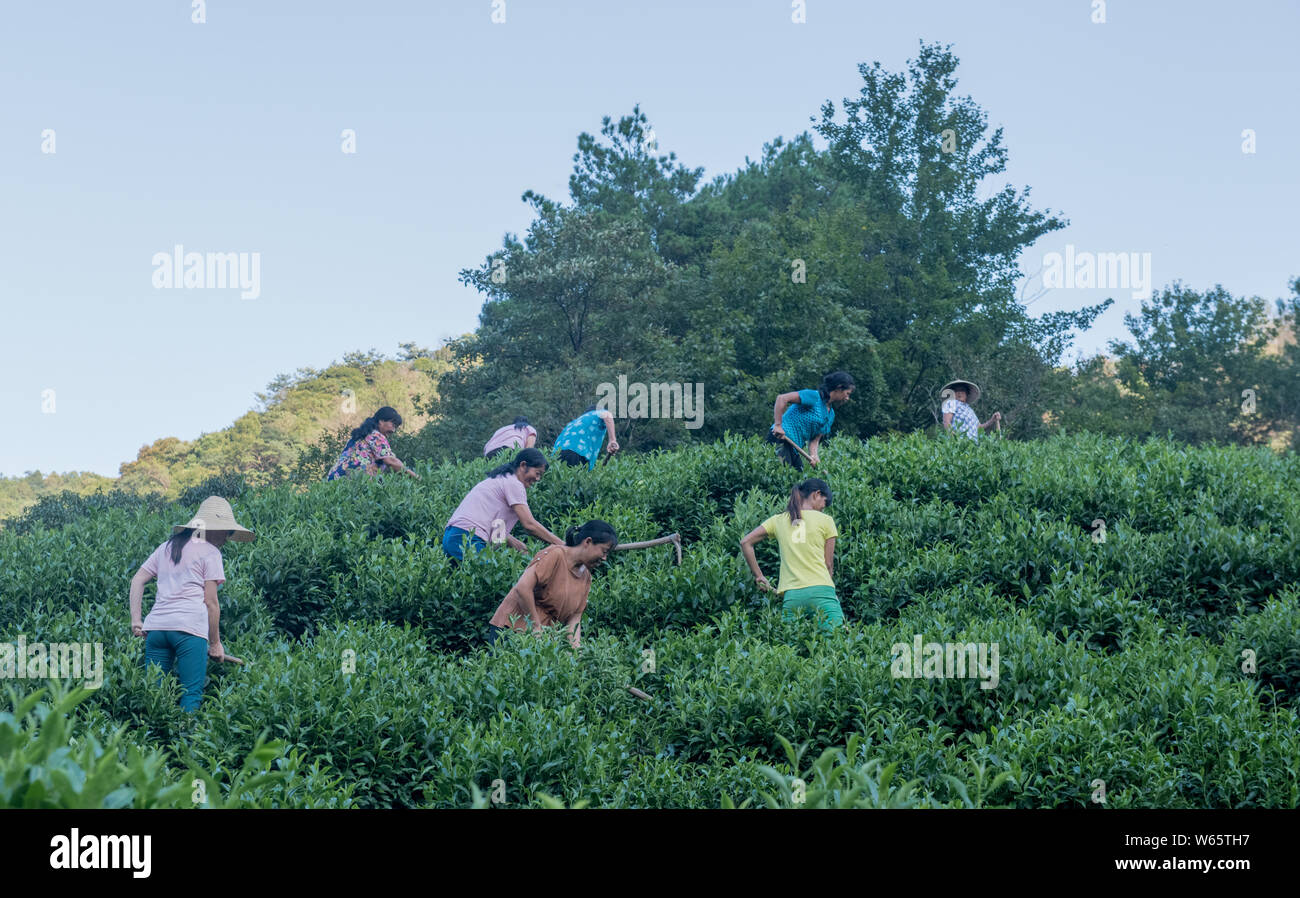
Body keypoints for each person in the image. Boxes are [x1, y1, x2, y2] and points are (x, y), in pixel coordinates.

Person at [128, 496, 253, 712]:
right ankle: (185, 743)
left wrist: (136, 620)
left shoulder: (166, 547)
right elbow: (211, 603)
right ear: (210, 529)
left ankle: (153, 746)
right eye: (226, 531)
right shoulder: (211, 552)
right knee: (191, 695)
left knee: (155, 698)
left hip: (156, 629)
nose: (227, 538)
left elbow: (137, 580)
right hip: (189, 630)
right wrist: (215, 644)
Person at [487, 520, 618, 649]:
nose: (604, 558)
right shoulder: (556, 554)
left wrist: (576, 652)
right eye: (604, 551)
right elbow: (522, 588)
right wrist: (535, 626)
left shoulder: (586, 577)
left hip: (541, 639)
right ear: (588, 542)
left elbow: (574, 618)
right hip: (510, 629)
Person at [739, 478, 843, 631]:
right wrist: (831, 594)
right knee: (836, 645)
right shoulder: (826, 521)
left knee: (792, 650)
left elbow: (745, 542)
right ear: (817, 494)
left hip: (792, 597)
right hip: (822, 593)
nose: (822, 510)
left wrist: (759, 576)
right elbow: (828, 565)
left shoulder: (778, 520)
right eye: (823, 505)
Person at [442, 448, 563, 565]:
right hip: (467, 538)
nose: (538, 479)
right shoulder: (514, 483)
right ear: (523, 465)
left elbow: (495, 525)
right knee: (488, 580)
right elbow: (529, 525)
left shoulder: (501, 479)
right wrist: (563, 545)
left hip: (452, 536)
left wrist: (519, 546)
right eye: (537, 473)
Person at [768, 371, 855, 470]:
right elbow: (782, 398)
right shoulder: (814, 397)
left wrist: (814, 457)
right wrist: (778, 425)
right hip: (780, 439)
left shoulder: (830, 415)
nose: (847, 398)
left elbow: (815, 440)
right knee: (782, 477)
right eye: (847, 393)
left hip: (795, 448)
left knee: (798, 480)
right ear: (839, 388)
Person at [325, 406, 420, 481]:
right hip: (350, 482)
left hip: (334, 480)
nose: (393, 430)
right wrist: (416, 478)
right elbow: (391, 461)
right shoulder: (376, 435)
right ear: (381, 421)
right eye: (393, 424)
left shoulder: (361, 435)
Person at [553, 406, 619, 469]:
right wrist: (612, 440)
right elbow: (607, 415)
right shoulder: (598, 413)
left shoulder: (574, 423)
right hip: (576, 452)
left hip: (556, 456)